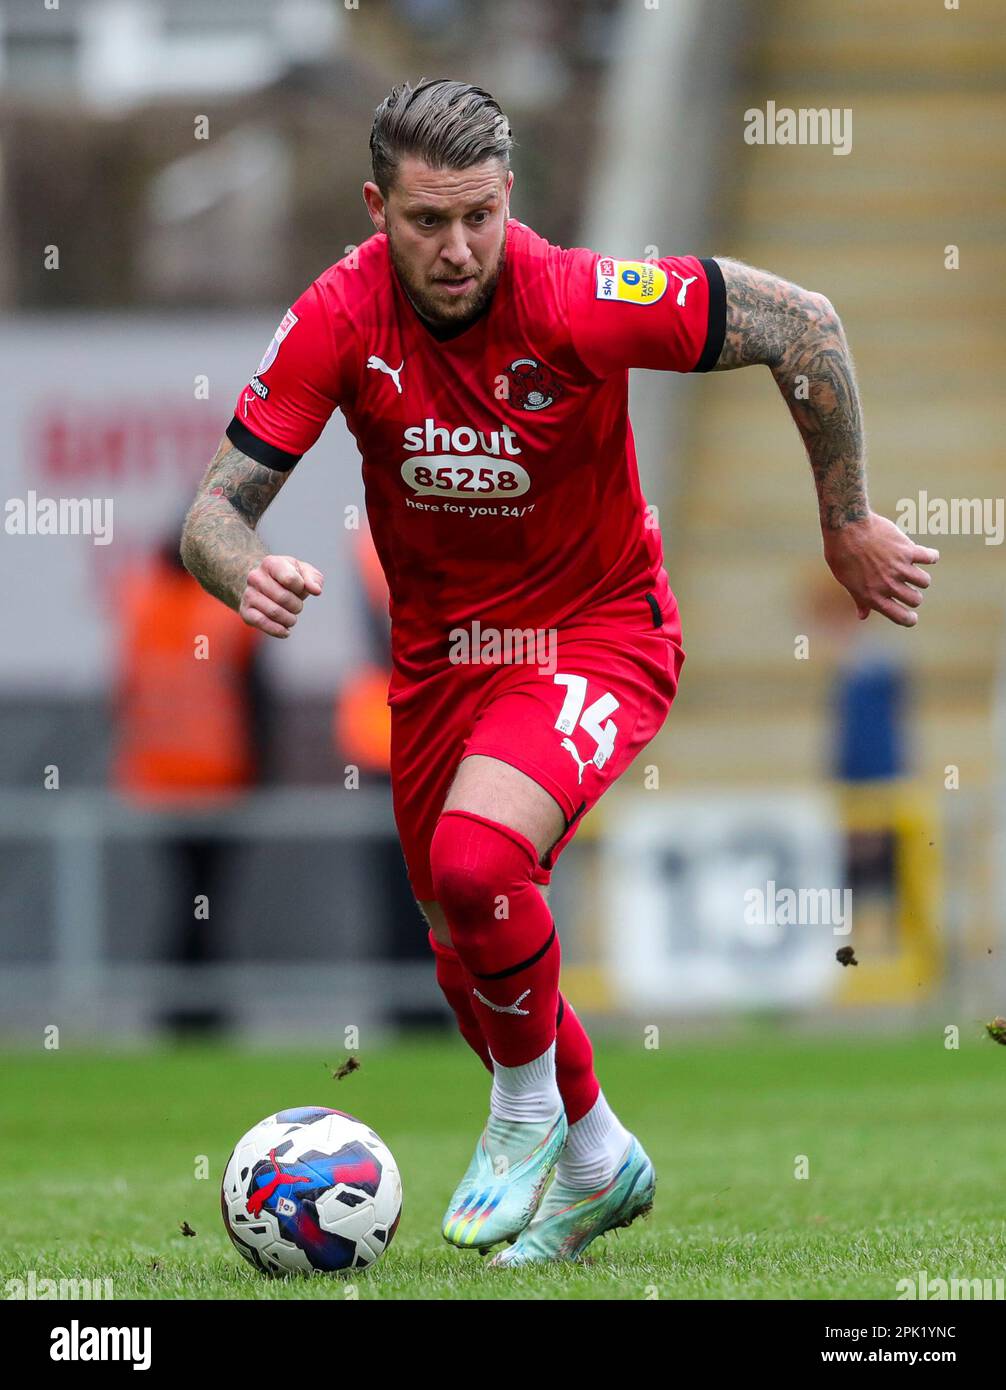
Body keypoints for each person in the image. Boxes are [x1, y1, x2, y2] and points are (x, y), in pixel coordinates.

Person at [180, 79, 939, 1264]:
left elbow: (804, 324)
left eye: (478, 214)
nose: (457, 247)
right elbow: (213, 512)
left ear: (509, 199)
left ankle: (526, 1116)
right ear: (377, 208)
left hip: (594, 632)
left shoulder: (579, 297)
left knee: (478, 859)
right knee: (460, 946)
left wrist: (844, 519)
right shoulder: (336, 316)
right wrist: (245, 572)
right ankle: (595, 1158)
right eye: (427, 220)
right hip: (442, 666)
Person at [112, 534, 268, 1034]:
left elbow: (125, 695)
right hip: (218, 778)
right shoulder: (224, 611)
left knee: (187, 898)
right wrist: (264, 773)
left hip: (158, 778)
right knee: (205, 901)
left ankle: (185, 1008)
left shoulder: (143, 600)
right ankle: (200, 1010)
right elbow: (256, 699)